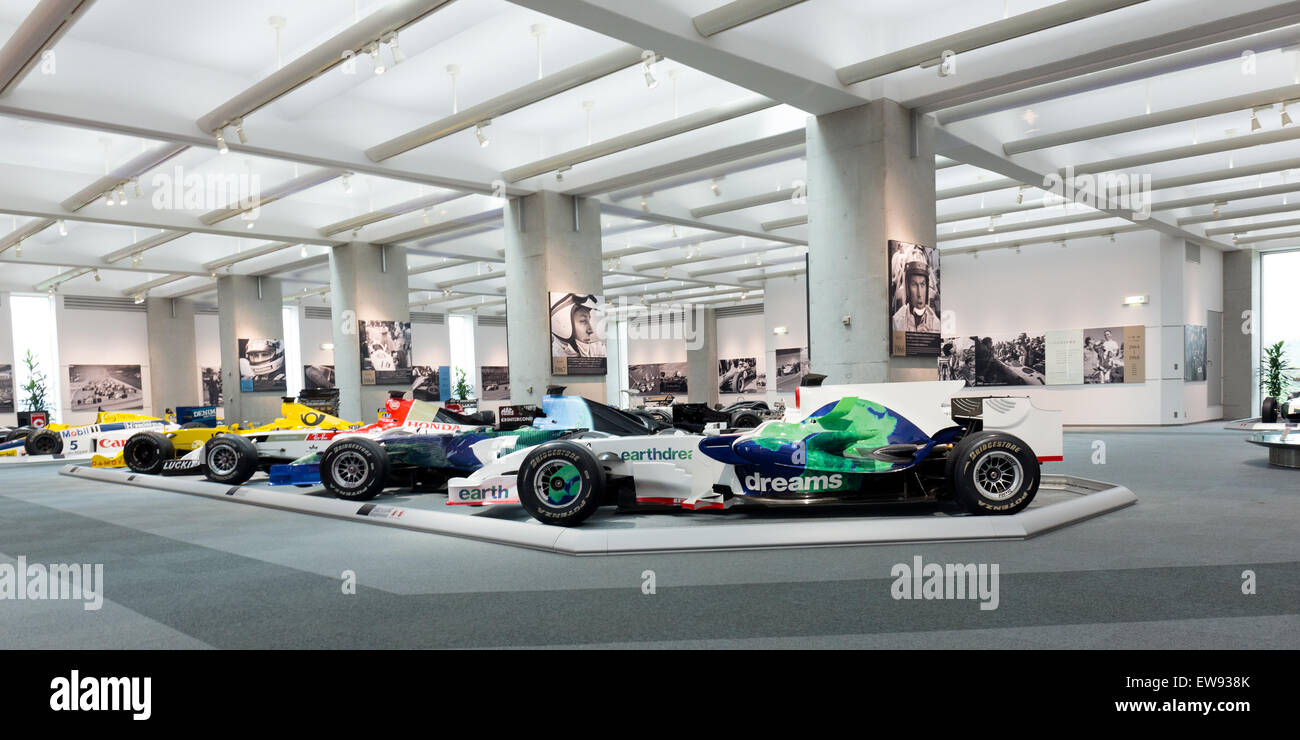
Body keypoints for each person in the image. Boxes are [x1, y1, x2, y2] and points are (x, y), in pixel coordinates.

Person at [891, 249, 940, 333]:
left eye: (922, 284)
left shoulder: (935, 322)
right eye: (914, 285)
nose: (919, 294)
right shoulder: (897, 321)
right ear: (908, 288)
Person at [550, 293, 606, 358]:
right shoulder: (555, 356)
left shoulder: (597, 348)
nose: (591, 330)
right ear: (563, 324)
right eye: (583, 321)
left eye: (589, 320)